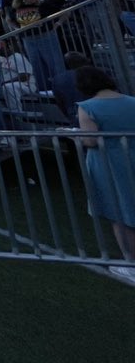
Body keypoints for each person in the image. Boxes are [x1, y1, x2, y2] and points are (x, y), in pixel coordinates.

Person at [74, 66, 135, 285]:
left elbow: (90, 140)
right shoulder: (131, 100)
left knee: (118, 211)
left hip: (109, 161)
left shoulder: (87, 107)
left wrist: (76, 136)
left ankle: (131, 264)